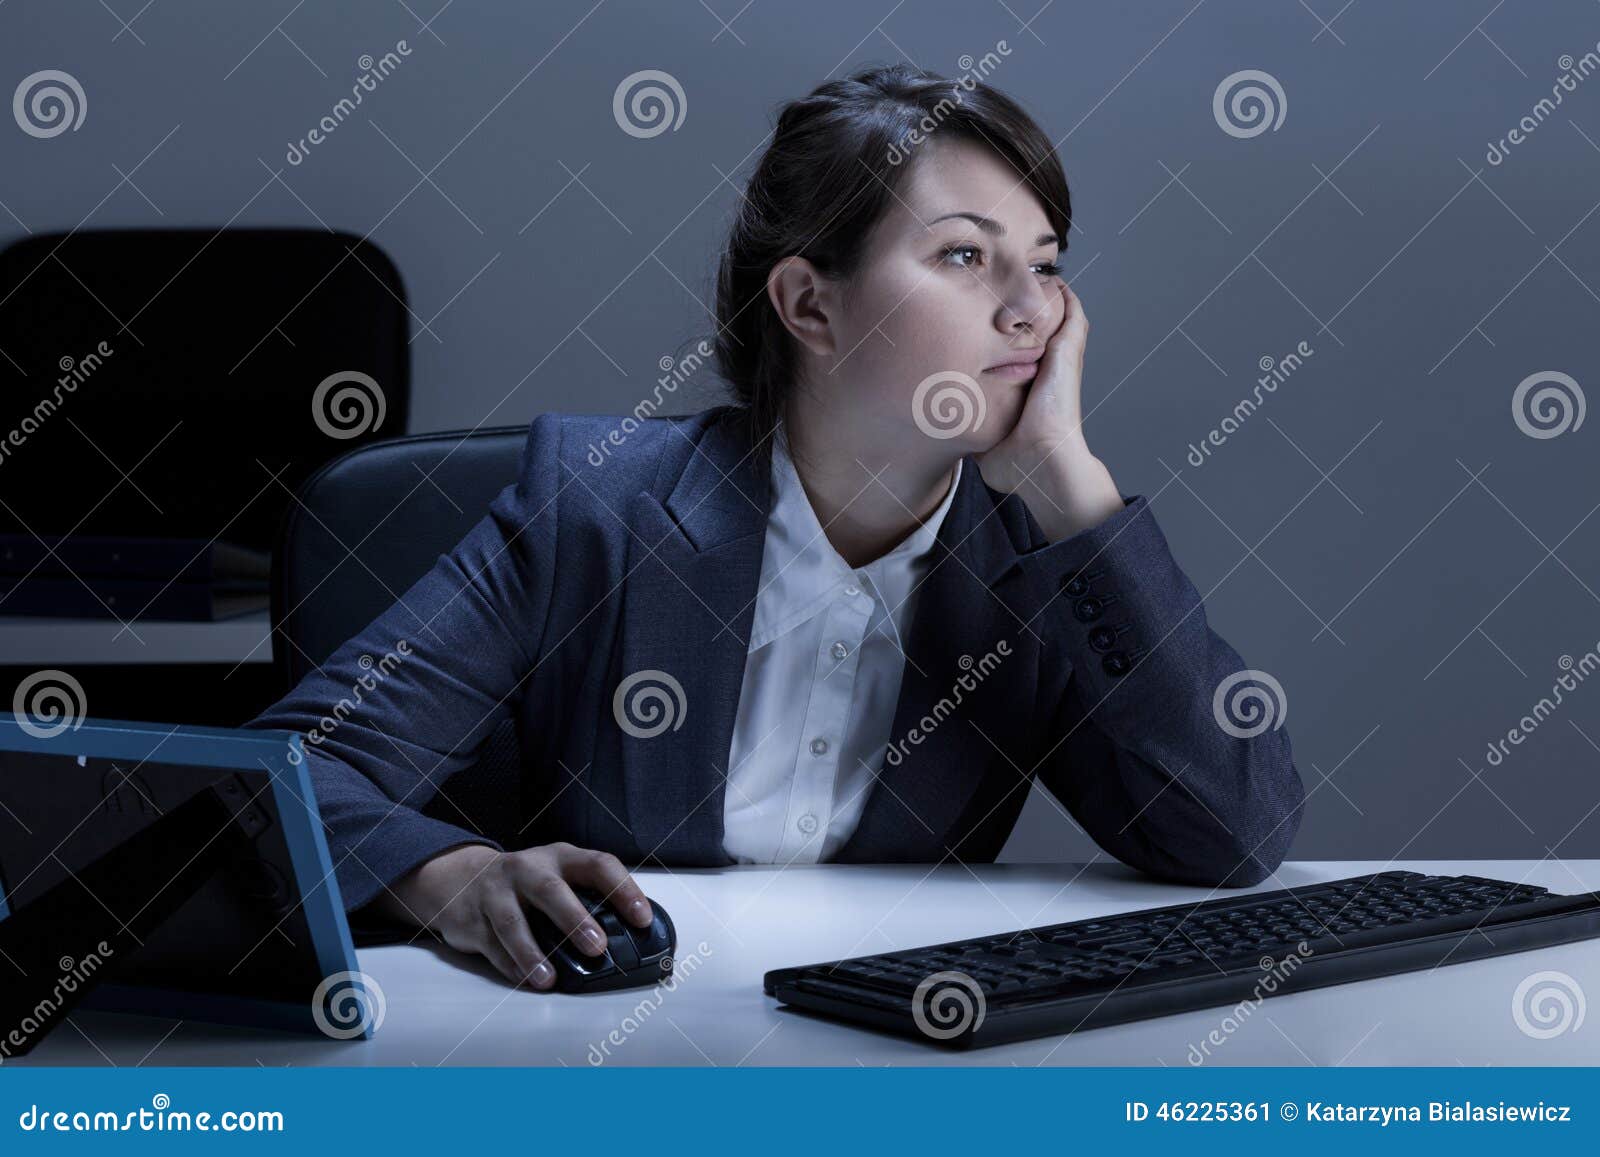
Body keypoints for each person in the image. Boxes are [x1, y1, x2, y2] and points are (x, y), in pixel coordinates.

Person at [247, 63, 1305, 993]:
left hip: (889, 1057)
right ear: (808, 305)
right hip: (587, 1051)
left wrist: (1076, 496)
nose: (1032, 310)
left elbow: (1232, 833)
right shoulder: (596, 505)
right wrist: (458, 879)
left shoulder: (1044, 559)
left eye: (1046, 262)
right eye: (963, 258)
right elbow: (277, 778)